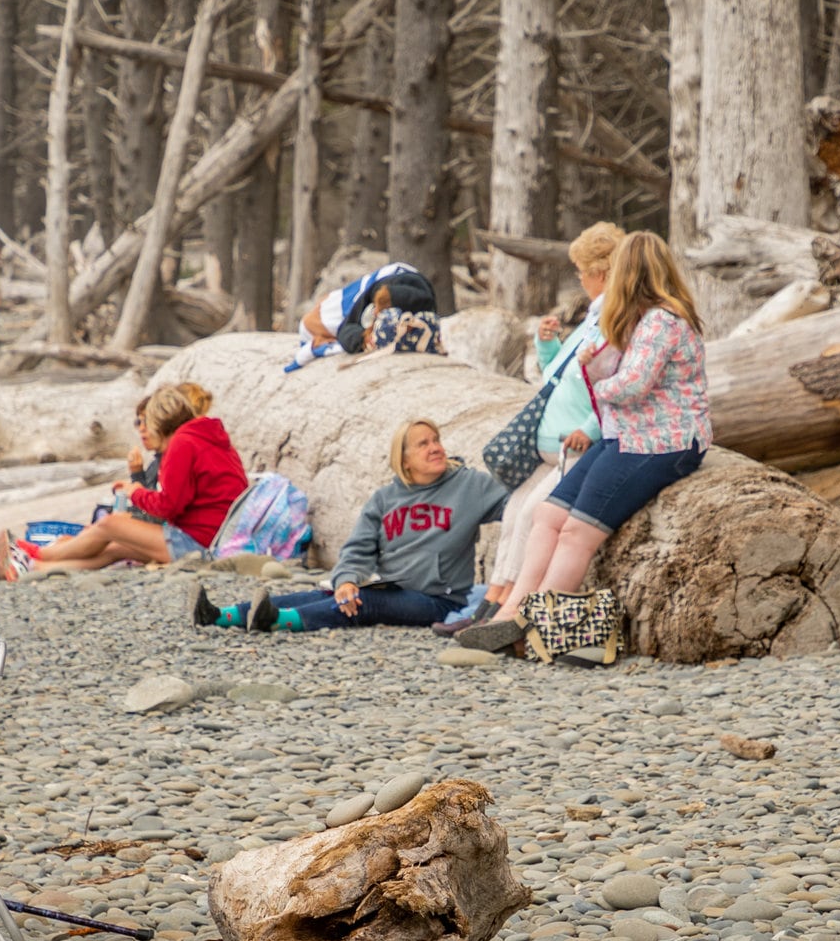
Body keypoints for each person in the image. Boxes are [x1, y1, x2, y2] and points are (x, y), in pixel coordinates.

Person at [458, 232, 710, 660]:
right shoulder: (632, 319)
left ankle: (543, 624)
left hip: (661, 443)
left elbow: (634, 384)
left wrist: (592, 377)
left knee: (578, 532)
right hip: (624, 436)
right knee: (549, 513)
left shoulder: (663, 321)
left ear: (630, 273)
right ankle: (512, 612)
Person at [435, 223, 621, 637]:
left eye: (581, 270)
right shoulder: (593, 318)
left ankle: (512, 608)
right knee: (515, 513)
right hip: (551, 446)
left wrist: (591, 427)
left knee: (536, 515)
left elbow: (609, 383)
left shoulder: (613, 318)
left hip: (574, 445)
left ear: (601, 273)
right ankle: (491, 602)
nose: (579, 278)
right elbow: (563, 377)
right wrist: (547, 346)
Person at [196, 418, 506, 632]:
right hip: (394, 587)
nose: (436, 447)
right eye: (423, 444)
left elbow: (516, 507)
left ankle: (279, 621)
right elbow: (358, 549)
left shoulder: (470, 486)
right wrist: (345, 580)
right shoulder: (385, 499)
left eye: (436, 440)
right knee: (331, 596)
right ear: (404, 459)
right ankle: (224, 615)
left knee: (364, 602)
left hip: (440, 599)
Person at [19, 384, 244, 570]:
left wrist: (135, 492)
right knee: (117, 548)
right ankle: (37, 568)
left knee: (109, 524)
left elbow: (169, 506)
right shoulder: (207, 436)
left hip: (199, 542)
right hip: (217, 537)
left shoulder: (182, 443)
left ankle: (41, 552)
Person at [286, 261, 436, 370]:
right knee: (310, 324)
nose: (375, 313)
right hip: (346, 302)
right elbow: (346, 327)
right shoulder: (375, 289)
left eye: (379, 310)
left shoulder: (422, 305)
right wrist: (363, 339)